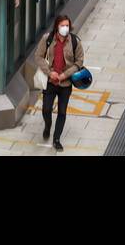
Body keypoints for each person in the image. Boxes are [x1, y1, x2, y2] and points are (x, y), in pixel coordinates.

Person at [34, 14, 84, 152]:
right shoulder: (47, 39)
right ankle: (48, 126)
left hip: (66, 84)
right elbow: (38, 57)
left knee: (62, 112)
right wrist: (50, 73)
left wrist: (64, 75)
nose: (65, 28)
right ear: (57, 26)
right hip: (50, 82)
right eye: (62, 25)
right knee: (46, 109)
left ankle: (56, 139)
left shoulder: (75, 41)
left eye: (67, 25)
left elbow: (79, 62)